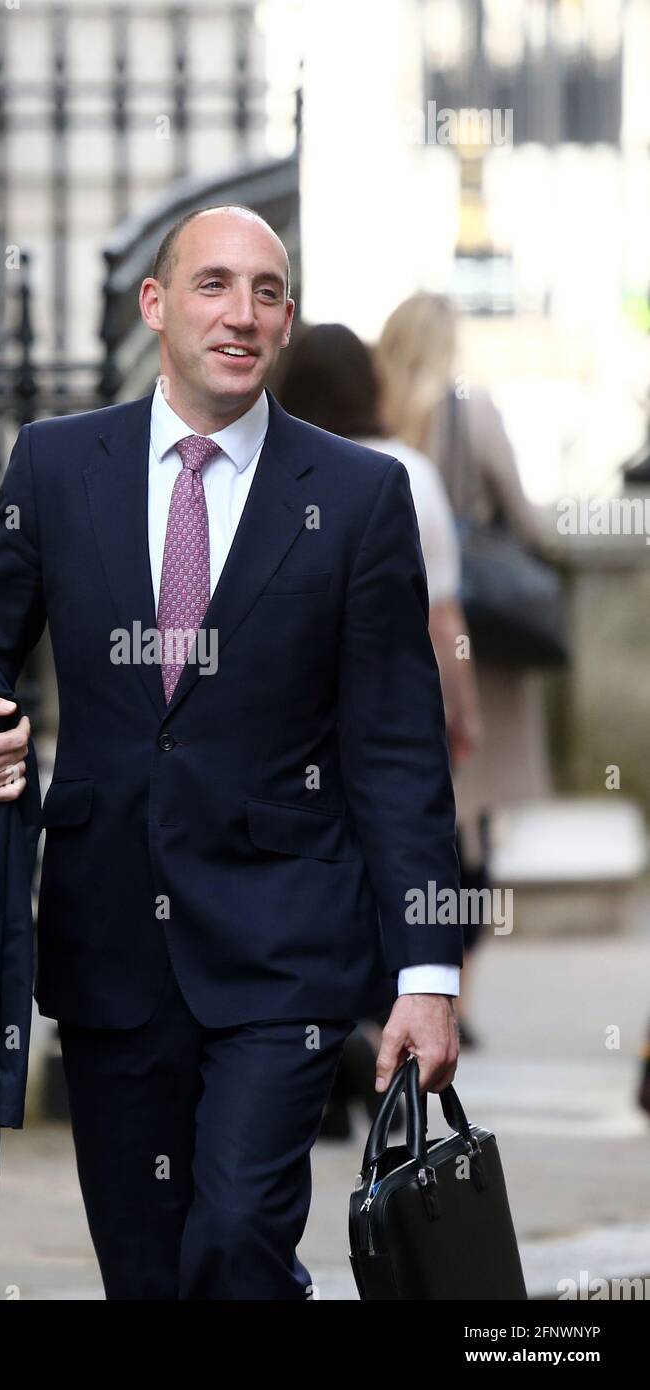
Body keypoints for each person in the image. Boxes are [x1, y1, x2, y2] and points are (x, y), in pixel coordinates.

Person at [0, 206, 462, 1300]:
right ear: (157, 306)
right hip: (110, 937)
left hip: (284, 948)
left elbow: (398, 751)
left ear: (286, 322)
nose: (243, 312)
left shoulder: (358, 497)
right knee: (147, 1269)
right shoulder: (58, 464)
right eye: (214, 285)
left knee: (233, 1238)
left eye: (267, 292)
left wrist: (428, 972)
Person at [275, 323, 481, 1134]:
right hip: (381, 717)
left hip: (301, 740)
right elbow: (443, 616)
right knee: (383, 871)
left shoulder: (284, 474)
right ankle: (353, 1037)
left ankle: (329, 1056)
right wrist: (456, 712)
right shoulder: (412, 473)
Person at [375, 293, 555, 1043]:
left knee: (408, 823)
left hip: (389, 638)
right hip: (467, 641)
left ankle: (404, 987)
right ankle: (459, 997)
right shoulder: (468, 409)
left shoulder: (373, 411)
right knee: (472, 829)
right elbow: (523, 512)